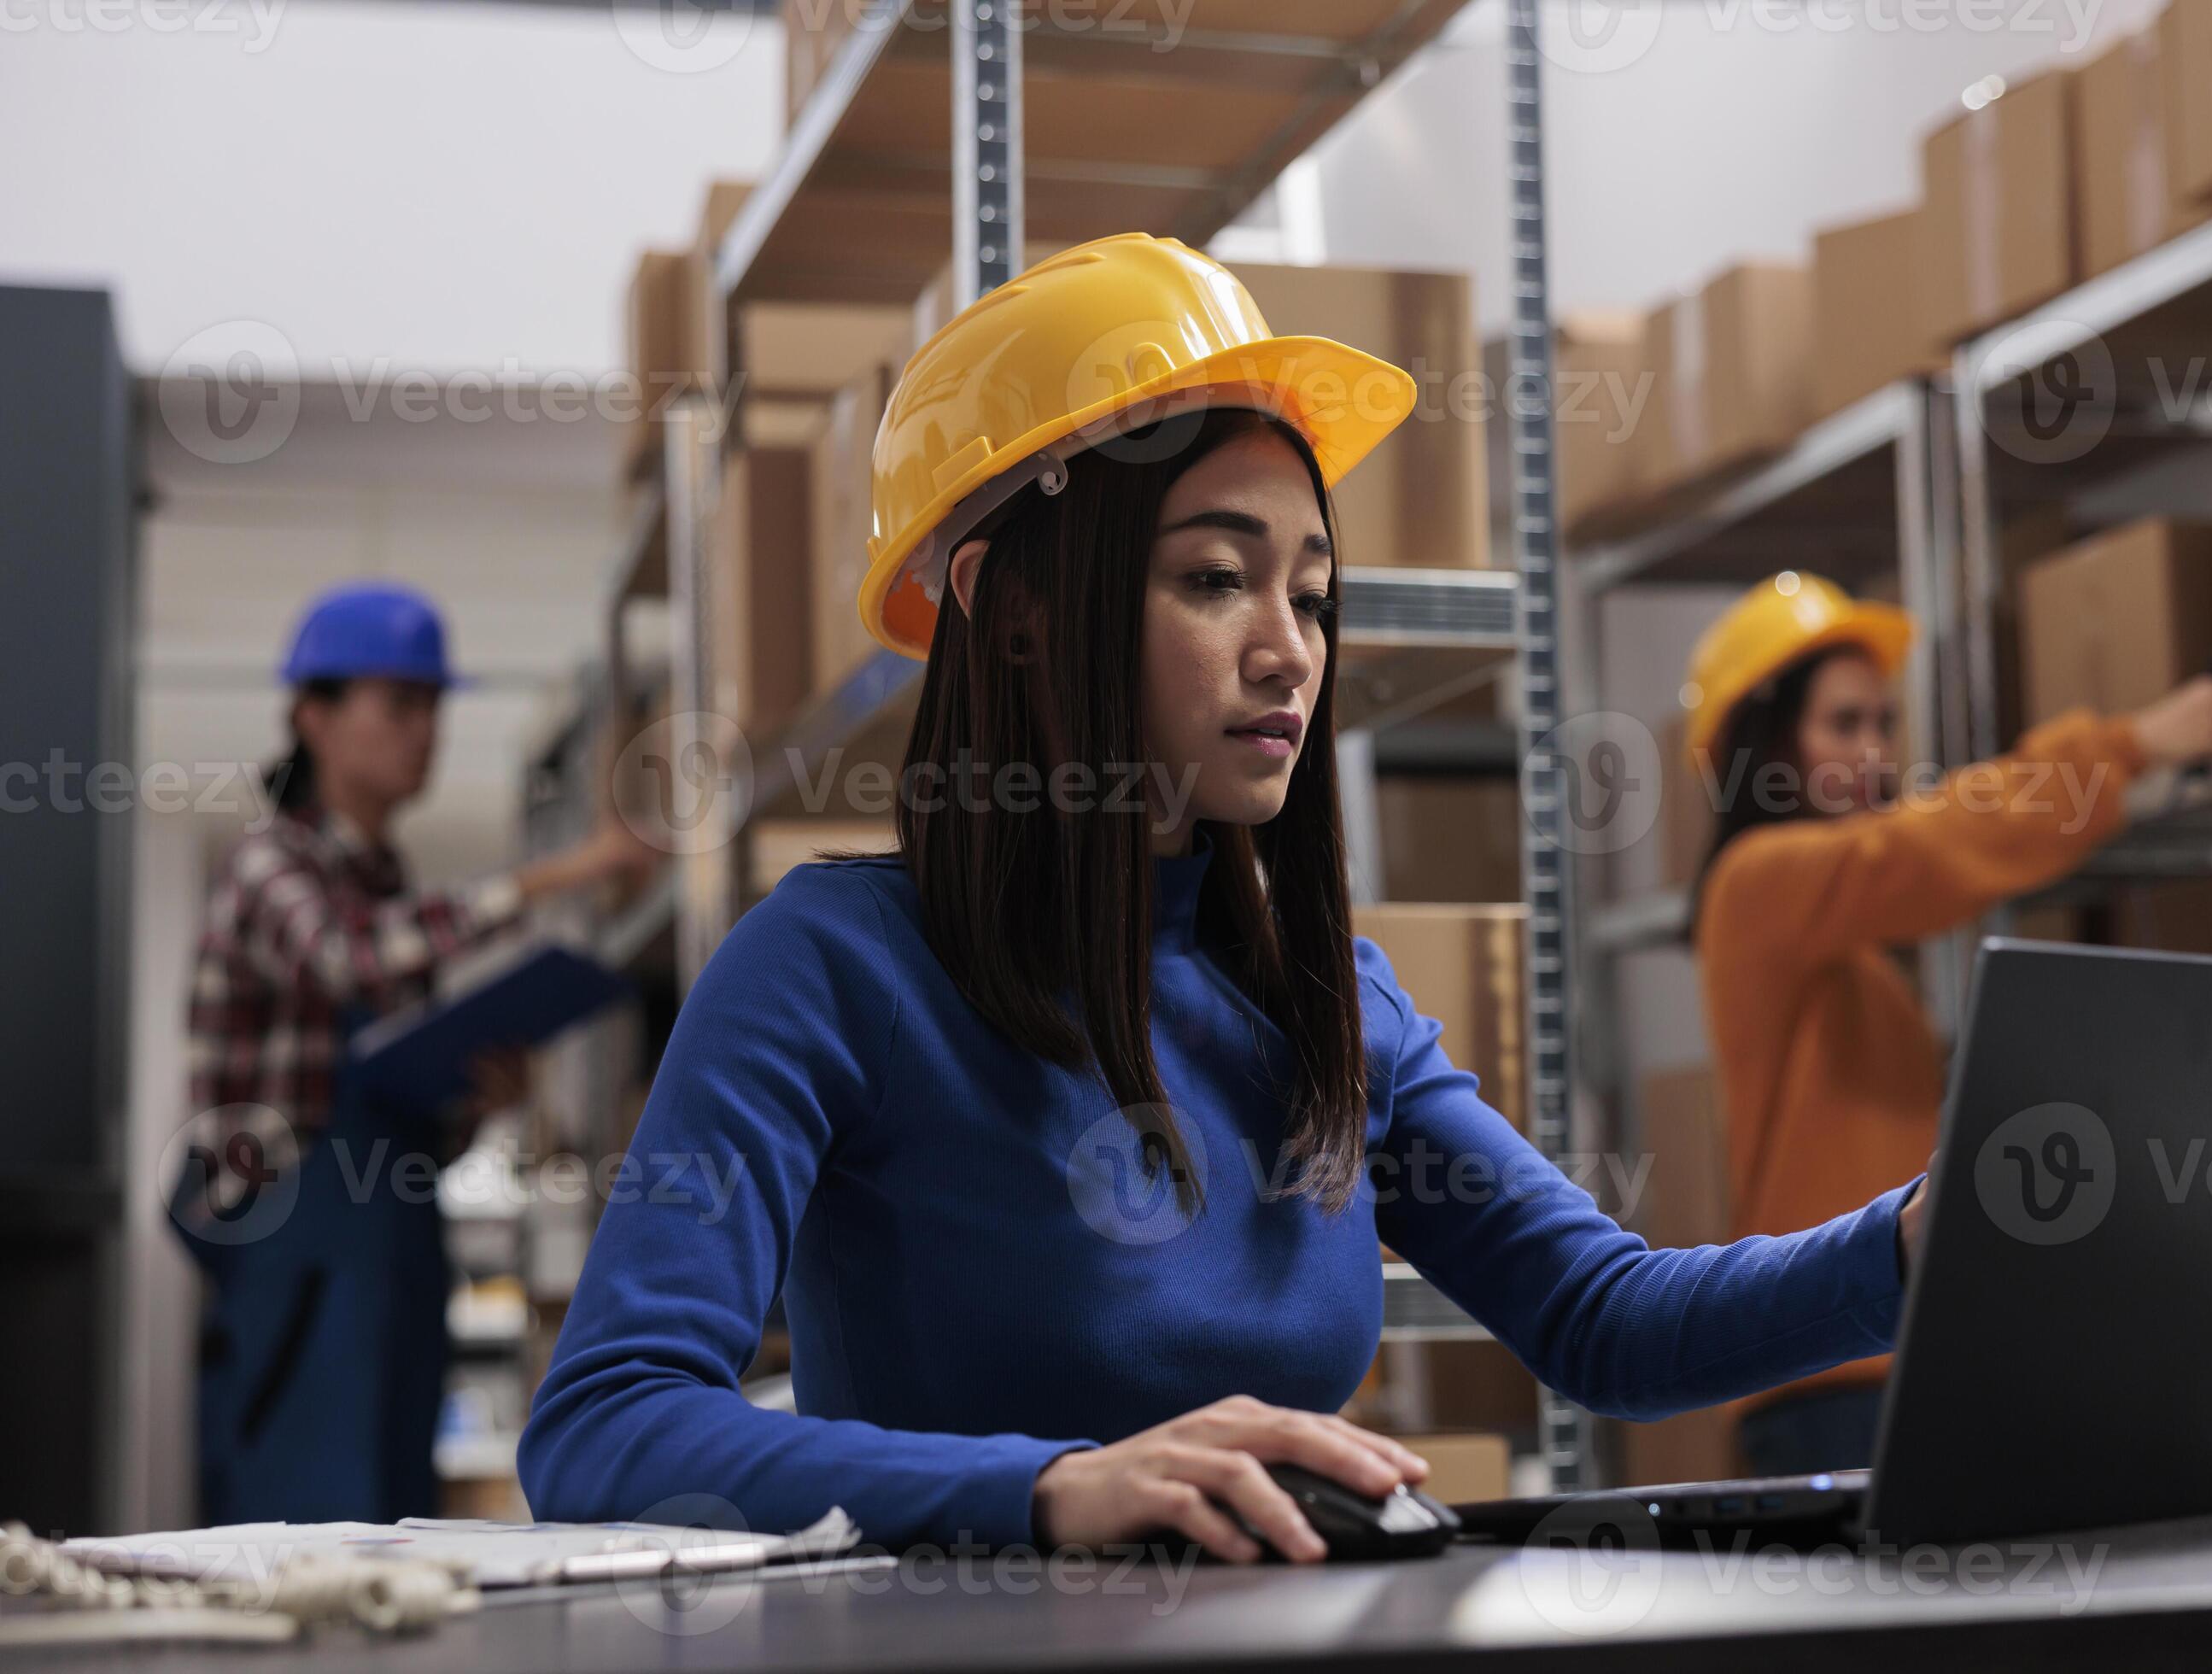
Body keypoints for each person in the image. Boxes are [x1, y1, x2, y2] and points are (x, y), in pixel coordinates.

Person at [518, 234, 1927, 1563]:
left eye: (1310, 597)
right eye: (1212, 580)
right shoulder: (829, 968)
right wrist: (1053, 1489)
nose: (1287, 653)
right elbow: (605, 1425)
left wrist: (1916, 1240)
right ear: (1008, 611)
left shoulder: (1328, 1003)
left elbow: (1610, 1322)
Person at [1682, 571, 2212, 1478]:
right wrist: (2130, 746)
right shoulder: (1755, 885)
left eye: (1884, 724)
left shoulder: (1851, 954)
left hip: (1894, 1367)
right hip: (1831, 1389)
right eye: (1844, 724)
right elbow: (1923, 850)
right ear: (1761, 739)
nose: (1875, 753)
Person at [179, 581, 652, 1524]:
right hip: (300, 1256)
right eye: (400, 704)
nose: (426, 729)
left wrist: (476, 1099)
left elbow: (404, 1116)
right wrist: (557, 873)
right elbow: (349, 958)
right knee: (302, 1524)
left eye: (435, 705)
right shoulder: (271, 862)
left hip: (390, 1242)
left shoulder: (387, 884)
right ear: (312, 716)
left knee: (387, 1516)